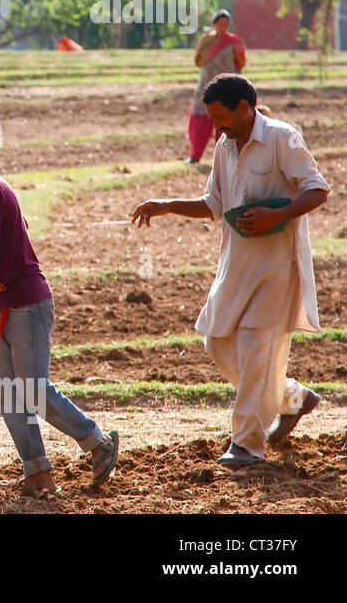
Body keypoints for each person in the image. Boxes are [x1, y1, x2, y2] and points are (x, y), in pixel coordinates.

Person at [131, 75, 330, 467]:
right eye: (212, 120)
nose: (216, 128)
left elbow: (318, 189)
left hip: (276, 268)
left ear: (245, 107)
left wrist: (279, 213)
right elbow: (214, 204)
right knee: (217, 342)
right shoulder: (225, 145)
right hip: (235, 264)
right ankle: (291, 397)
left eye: (221, 118)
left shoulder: (282, 138)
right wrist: (167, 204)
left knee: (257, 351)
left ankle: (246, 444)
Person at [0, 123, 120, 494]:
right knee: (8, 395)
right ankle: (37, 471)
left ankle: (99, 444)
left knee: (33, 390)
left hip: (26, 303)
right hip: (3, 303)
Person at [187, 10, 245, 164]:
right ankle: (195, 155)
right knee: (201, 120)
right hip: (206, 85)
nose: (223, 27)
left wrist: (238, 52)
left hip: (227, 87)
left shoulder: (233, 41)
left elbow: (241, 63)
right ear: (214, 24)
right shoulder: (206, 40)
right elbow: (198, 60)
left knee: (227, 120)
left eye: (226, 24)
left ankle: (224, 157)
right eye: (220, 24)